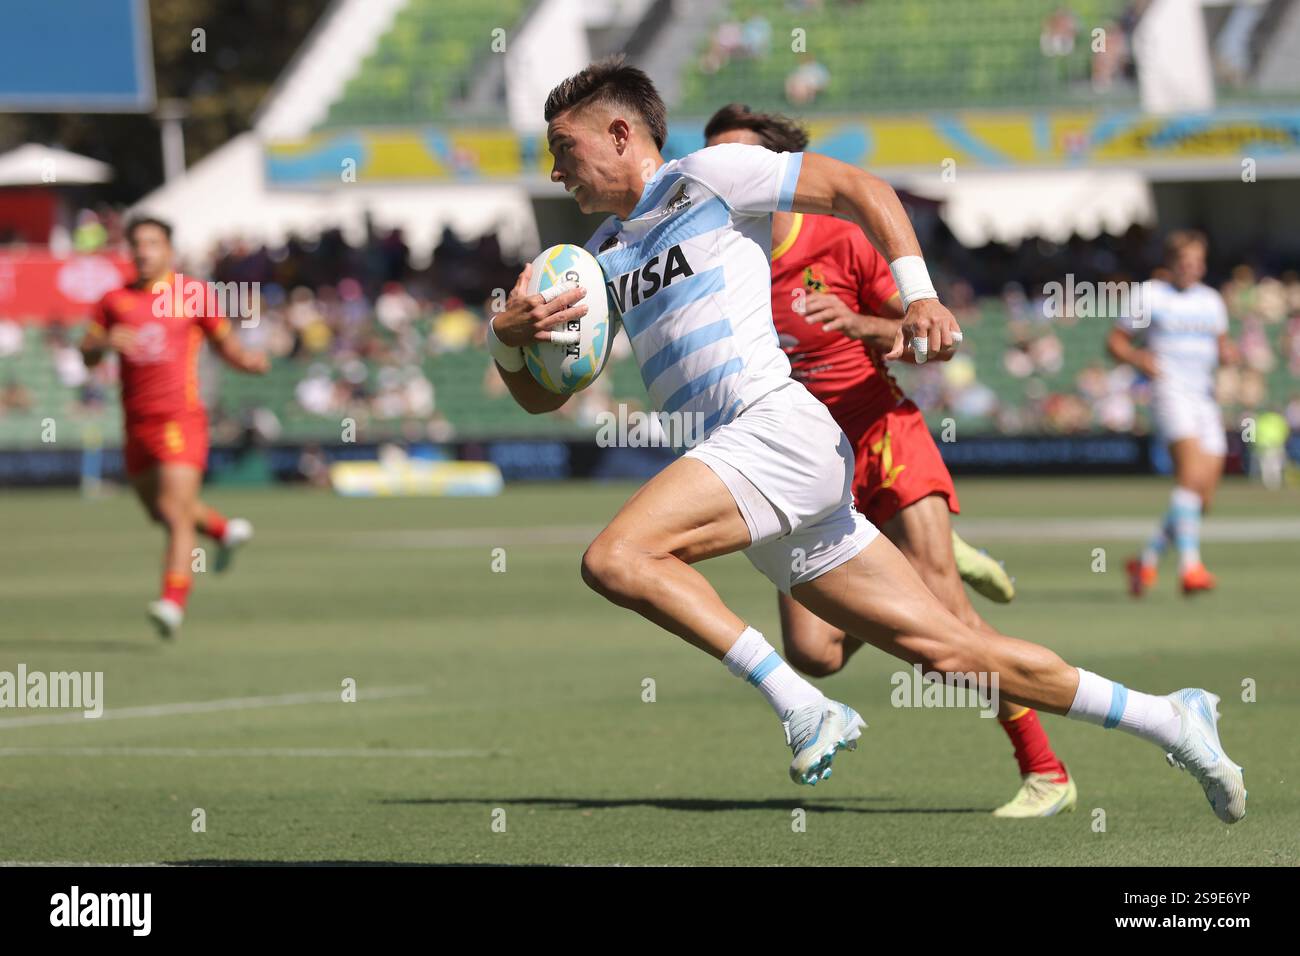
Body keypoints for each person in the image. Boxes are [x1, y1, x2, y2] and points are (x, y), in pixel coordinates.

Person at [487, 58, 1244, 823]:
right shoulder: (605, 256)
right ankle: (1171, 718)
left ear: (620, 133)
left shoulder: (710, 175)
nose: (555, 171)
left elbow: (861, 189)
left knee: (616, 557)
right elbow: (547, 397)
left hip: (772, 432)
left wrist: (918, 294)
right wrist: (507, 341)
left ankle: (800, 705)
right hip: (762, 469)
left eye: (563, 146)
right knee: (953, 654)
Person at [703, 103, 1073, 817]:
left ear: (779, 174)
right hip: (800, 461)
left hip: (880, 435)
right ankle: (912, 559)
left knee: (952, 625)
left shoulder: (841, 240)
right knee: (815, 655)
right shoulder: (720, 258)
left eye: (740, 161)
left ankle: (1046, 770)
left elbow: (939, 340)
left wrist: (866, 325)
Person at [81, 216, 269, 638]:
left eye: (153, 243)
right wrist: (104, 345)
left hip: (180, 419)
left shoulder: (192, 295)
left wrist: (250, 362)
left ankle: (172, 602)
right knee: (160, 511)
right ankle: (224, 530)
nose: (144, 251)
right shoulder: (114, 302)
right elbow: (86, 354)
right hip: (136, 426)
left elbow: (227, 346)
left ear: (169, 250)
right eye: (137, 244)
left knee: (176, 513)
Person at [1108, 231, 1235, 596]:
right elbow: (1115, 341)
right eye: (1185, 261)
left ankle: (1145, 560)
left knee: (1203, 497)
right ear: (1172, 262)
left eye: (1198, 262)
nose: (1191, 268)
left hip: (1204, 397)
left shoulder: (1211, 300)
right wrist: (1137, 357)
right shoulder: (1150, 295)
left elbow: (1223, 346)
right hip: (1169, 392)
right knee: (1190, 476)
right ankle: (1190, 568)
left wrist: (1229, 356)